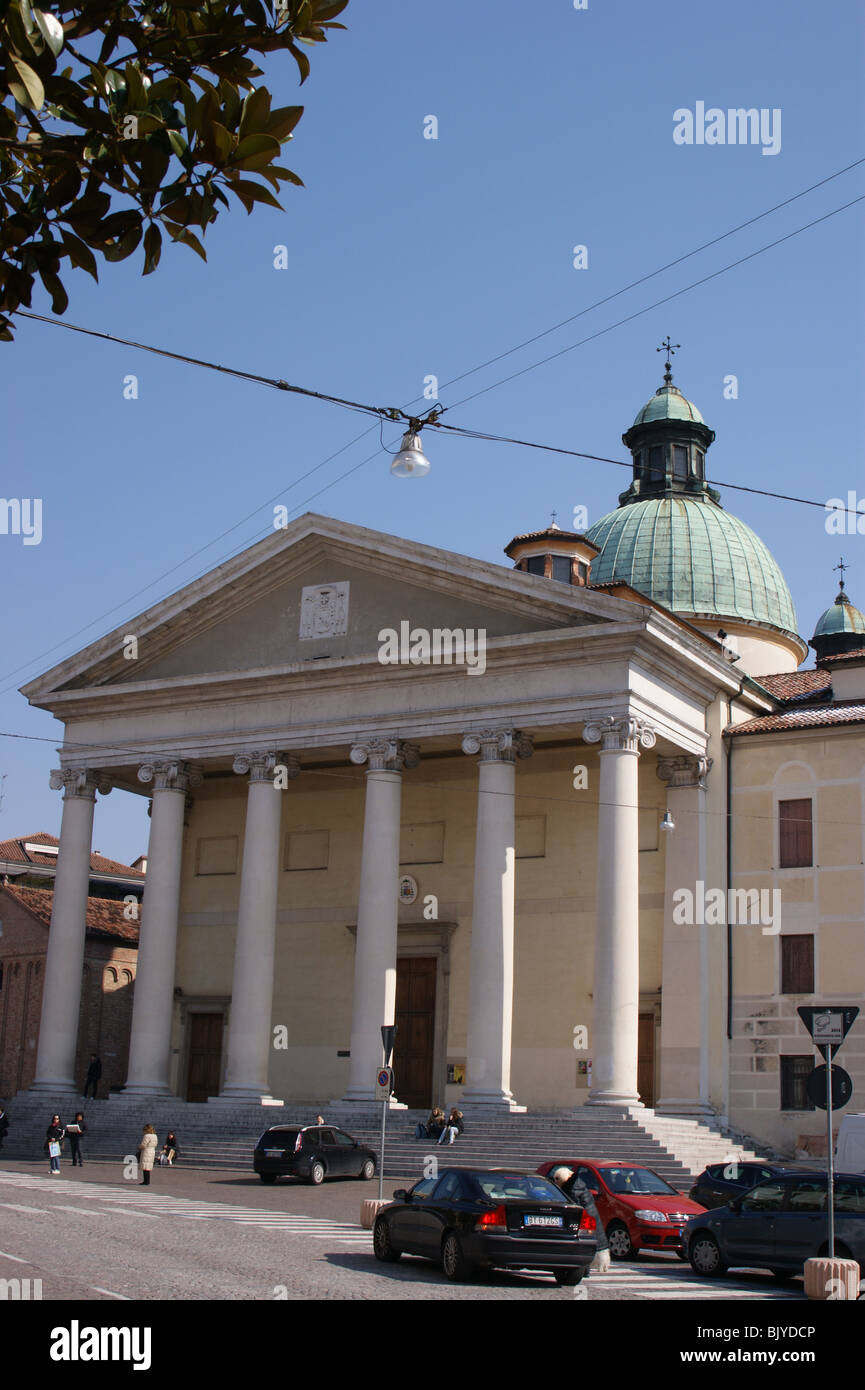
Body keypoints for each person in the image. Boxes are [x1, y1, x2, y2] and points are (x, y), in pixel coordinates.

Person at [550, 1165, 610, 1272]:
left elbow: (574, 1207)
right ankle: (599, 1264)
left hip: (585, 1219)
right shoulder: (579, 1183)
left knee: (583, 1242)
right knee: (596, 1239)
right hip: (592, 1215)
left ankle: (585, 1269)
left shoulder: (571, 1189)